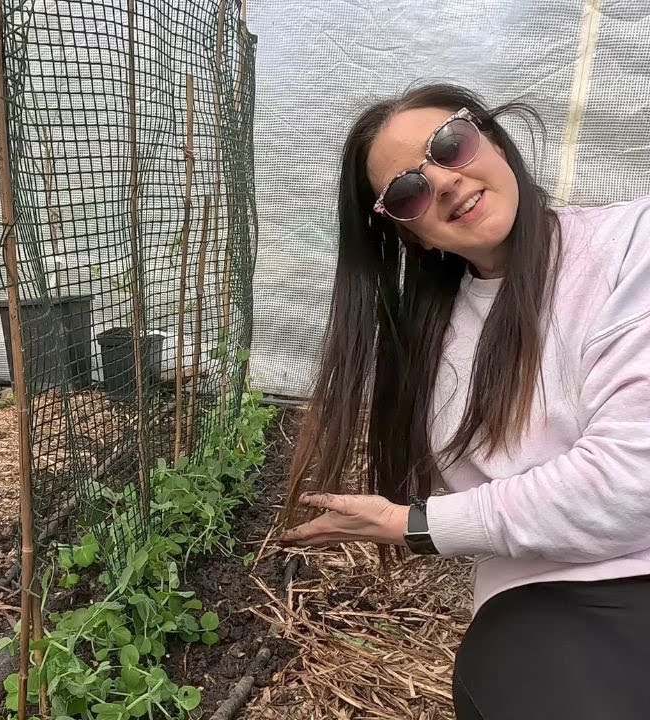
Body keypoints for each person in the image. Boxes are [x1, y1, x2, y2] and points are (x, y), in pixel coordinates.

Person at [274, 82, 650, 719]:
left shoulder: (629, 243)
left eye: (450, 145)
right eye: (408, 191)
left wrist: (413, 524)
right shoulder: (433, 346)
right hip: (553, 597)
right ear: (410, 234)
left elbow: (631, 482)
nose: (444, 182)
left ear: (493, 140)